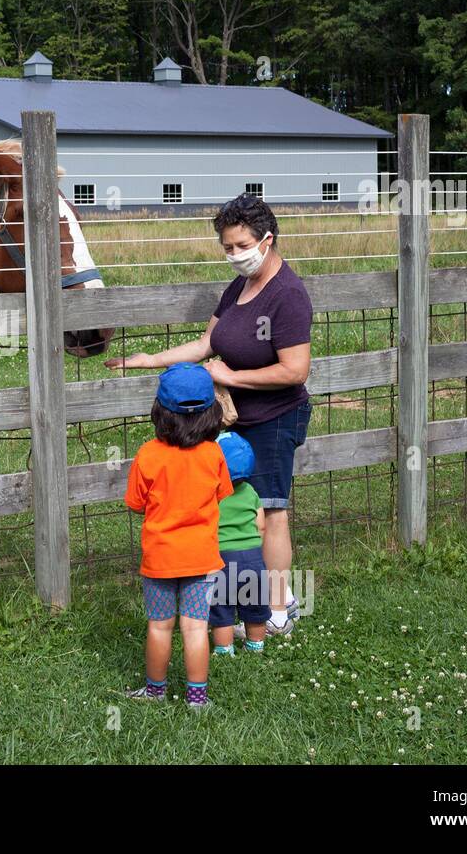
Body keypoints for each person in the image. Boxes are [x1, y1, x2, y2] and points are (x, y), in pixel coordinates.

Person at [107, 193, 312, 635]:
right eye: (227, 248)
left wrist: (233, 377)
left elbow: (295, 370)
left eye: (241, 246)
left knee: (271, 510)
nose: (235, 255)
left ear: (267, 240)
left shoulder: (288, 295)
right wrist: (151, 359)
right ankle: (251, 604)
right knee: (237, 508)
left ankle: (279, 610)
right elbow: (206, 345)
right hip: (236, 420)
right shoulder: (240, 287)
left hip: (274, 417)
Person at [123, 362, 232, 708]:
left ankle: (155, 692)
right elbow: (220, 494)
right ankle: (197, 699)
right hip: (201, 559)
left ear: (160, 411)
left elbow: (136, 503)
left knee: (159, 626)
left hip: (160, 559)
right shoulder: (214, 454)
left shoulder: (148, 455)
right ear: (212, 413)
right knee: (196, 628)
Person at [210, 431, 270, 655]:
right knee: (255, 606)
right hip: (253, 558)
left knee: (222, 609)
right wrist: (255, 546)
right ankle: (255, 645)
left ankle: (224, 649)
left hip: (221, 559)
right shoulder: (251, 493)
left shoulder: (212, 495)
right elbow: (261, 525)